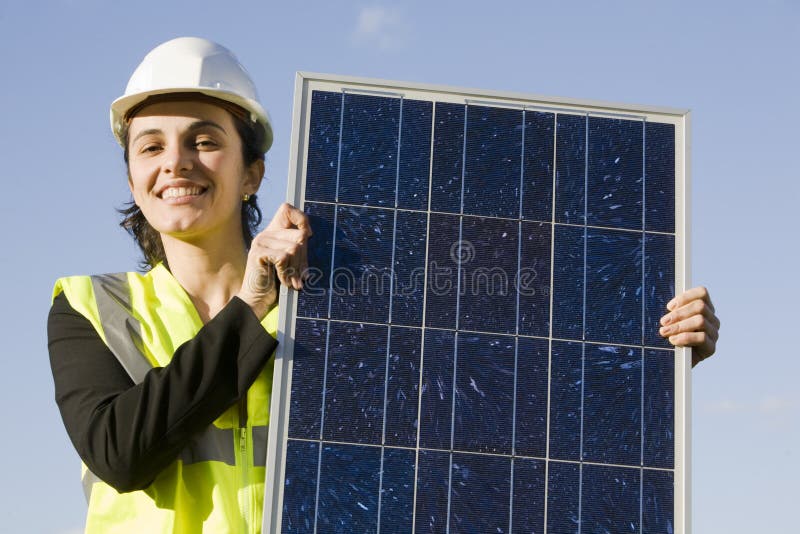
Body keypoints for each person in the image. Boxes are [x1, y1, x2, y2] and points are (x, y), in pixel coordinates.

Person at [47, 37, 720, 533]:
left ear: (252, 173)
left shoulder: (329, 305)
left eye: (204, 140)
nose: (177, 163)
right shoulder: (90, 307)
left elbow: (495, 411)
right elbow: (121, 452)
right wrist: (251, 307)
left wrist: (646, 350)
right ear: (132, 173)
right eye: (151, 146)